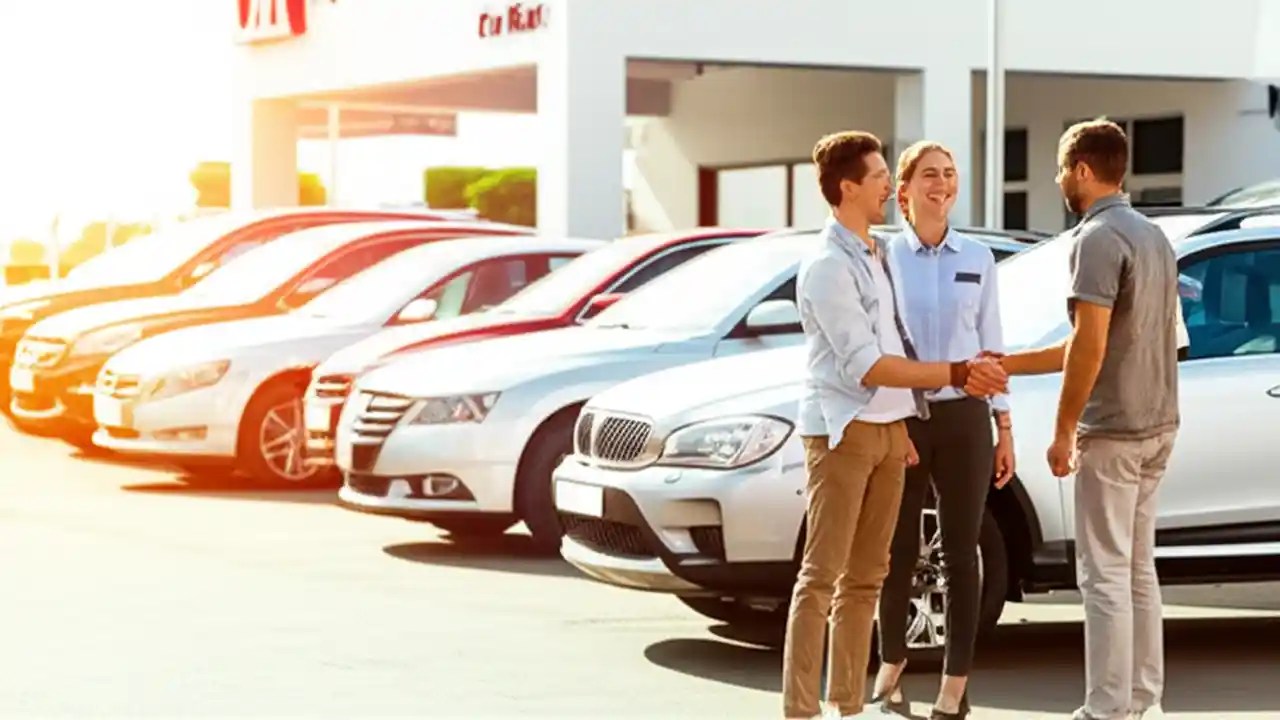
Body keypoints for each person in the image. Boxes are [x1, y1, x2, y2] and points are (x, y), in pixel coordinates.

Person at [783, 130, 1008, 720]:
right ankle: (801, 710)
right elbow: (866, 364)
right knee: (822, 577)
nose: (888, 186)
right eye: (881, 177)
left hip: (893, 426)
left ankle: (848, 706)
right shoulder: (830, 265)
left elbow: (900, 339)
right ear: (849, 187)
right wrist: (953, 373)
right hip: (844, 429)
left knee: (867, 577)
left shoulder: (876, 254)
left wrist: (911, 420)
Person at [987, 118, 1180, 720]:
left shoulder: (1095, 239)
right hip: (1158, 424)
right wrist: (1008, 364)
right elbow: (1098, 341)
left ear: (1083, 170)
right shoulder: (1155, 237)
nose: (1057, 181)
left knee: (1103, 574)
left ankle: (1106, 709)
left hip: (1115, 429)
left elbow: (1090, 345)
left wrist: (1064, 430)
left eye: (1060, 170)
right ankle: (1143, 702)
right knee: (1137, 569)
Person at [871, 141, 1015, 720]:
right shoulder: (883, 258)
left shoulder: (978, 257)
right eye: (929, 174)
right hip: (904, 417)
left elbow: (992, 344)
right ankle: (891, 668)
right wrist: (892, 416)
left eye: (950, 174)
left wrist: (1004, 425)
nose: (942, 184)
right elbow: (879, 344)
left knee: (960, 552)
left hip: (965, 418)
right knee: (896, 549)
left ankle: (954, 687)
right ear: (904, 190)